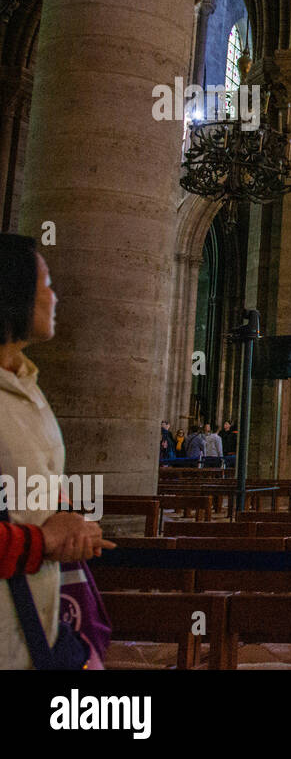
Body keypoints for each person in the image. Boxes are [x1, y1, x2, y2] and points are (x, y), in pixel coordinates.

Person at [0, 233, 115, 669]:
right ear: (12, 292)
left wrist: (70, 521)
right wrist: (44, 539)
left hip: (33, 630)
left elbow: (29, 485)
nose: (54, 296)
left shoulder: (27, 386)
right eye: (45, 283)